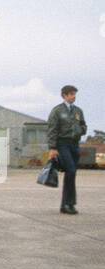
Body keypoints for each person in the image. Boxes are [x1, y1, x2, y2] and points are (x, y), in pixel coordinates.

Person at [47, 84, 87, 214]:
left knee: (72, 173)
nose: (73, 97)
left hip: (74, 145)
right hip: (62, 144)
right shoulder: (57, 111)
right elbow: (52, 130)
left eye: (74, 94)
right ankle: (68, 204)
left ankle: (66, 204)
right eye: (71, 94)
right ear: (64, 95)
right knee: (70, 170)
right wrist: (52, 148)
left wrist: (79, 130)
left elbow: (84, 126)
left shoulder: (78, 111)